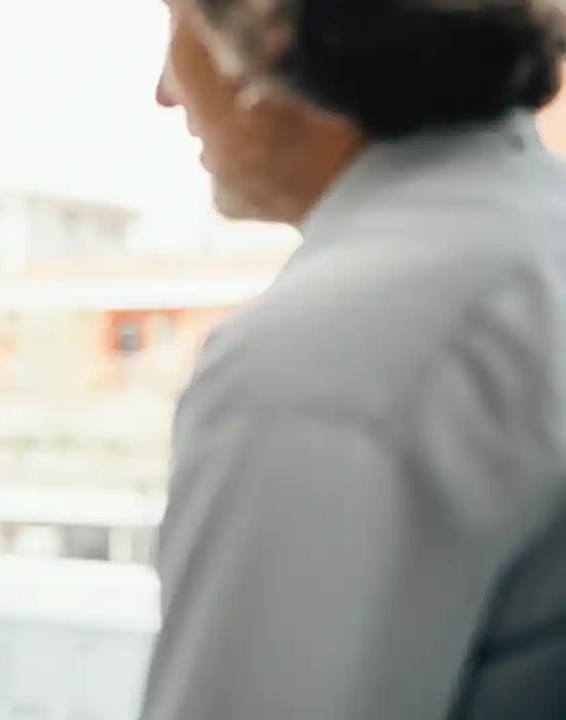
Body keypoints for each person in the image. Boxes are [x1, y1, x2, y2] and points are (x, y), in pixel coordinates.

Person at [143, 1, 566, 718]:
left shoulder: (319, 363)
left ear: (269, 31)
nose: (165, 88)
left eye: (177, 25)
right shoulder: (532, 247)